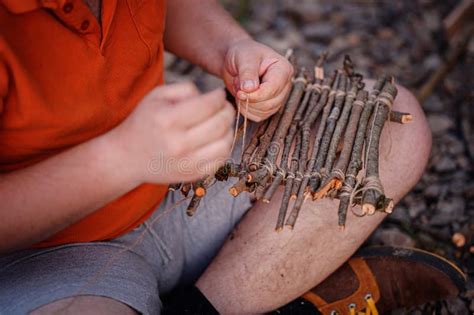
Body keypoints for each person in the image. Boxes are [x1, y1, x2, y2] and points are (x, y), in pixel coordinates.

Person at [0, 1, 465, 314]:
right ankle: (290, 297)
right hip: (47, 262)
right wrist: (122, 158)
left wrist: (231, 48)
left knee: (387, 121)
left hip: (177, 185)